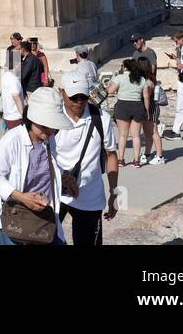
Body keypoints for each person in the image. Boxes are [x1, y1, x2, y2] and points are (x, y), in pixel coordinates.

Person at [0, 87, 72, 245]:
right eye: (45, 126)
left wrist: (63, 178)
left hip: (43, 215)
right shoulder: (12, 140)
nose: (50, 130)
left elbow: (46, 168)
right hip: (15, 214)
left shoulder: (48, 139)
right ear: (31, 119)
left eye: (53, 126)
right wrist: (22, 197)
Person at [54, 71, 119, 245]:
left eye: (83, 96)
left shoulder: (101, 119)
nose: (79, 102)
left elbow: (111, 155)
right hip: (55, 194)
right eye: (74, 97)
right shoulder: (53, 119)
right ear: (61, 92)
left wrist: (114, 193)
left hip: (89, 196)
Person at [107, 58, 151, 168]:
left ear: (125, 67)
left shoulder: (120, 78)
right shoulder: (142, 80)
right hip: (137, 106)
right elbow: (146, 97)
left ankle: (121, 160)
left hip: (122, 106)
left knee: (123, 135)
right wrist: (147, 111)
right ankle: (136, 161)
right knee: (136, 136)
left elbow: (110, 91)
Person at [0, 47, 25, 135]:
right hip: (16, 117)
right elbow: (16, 98)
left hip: (8, 115)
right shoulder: (14, 79)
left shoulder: (5, 75)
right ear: (16, 63)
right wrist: (24, 116)